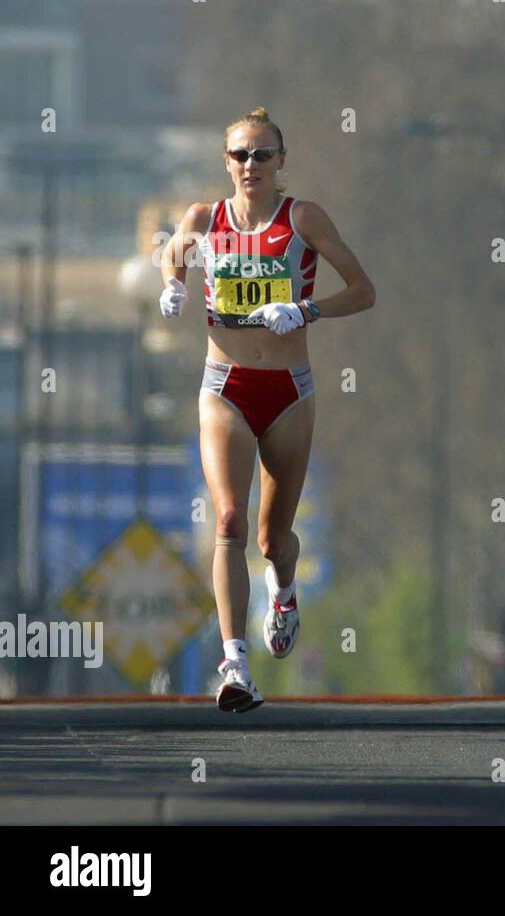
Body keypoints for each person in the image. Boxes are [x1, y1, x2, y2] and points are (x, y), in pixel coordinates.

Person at [160, 107, 376, 712]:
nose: (250, 165)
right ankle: (235, 666)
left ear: (282, 161)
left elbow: (364, 290)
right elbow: (172, 251)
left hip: (288, 390)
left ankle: (283, 590)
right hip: (224, 385)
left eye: (262, 154)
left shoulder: (301, 218)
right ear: (225, 162)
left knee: (272, 537)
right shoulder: (206, 217)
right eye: (239, 155)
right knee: (228, 523)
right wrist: (174, 284)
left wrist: (305, 311)